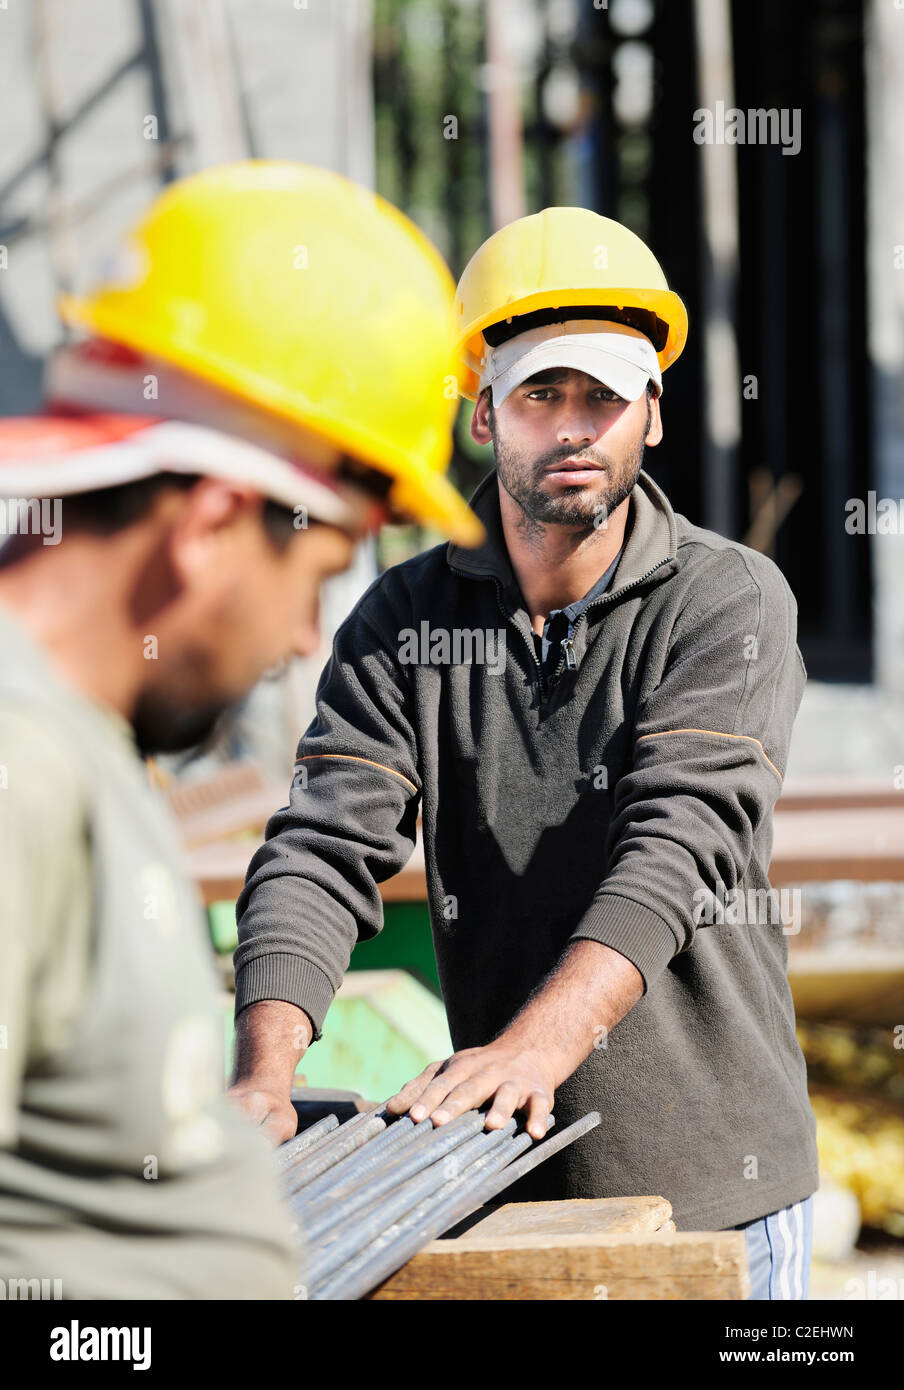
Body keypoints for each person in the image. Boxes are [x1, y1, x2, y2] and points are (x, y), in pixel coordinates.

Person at [231, 205, 818, 1300]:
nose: (573, 426)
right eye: (540, 392)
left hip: (716, 1193)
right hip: (501, 1183)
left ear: (652, 407)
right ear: (481, 411)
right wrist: (265, 1073)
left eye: (603, 394)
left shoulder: (725, 599)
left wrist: (533, 1048)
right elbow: (321, 842)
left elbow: (679, 842)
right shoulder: (402, 619)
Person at [0, 160, 478, 1299]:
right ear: (212, 524)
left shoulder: (77, 745)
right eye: (316, 571)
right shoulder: (19, 766)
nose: (308, 632)